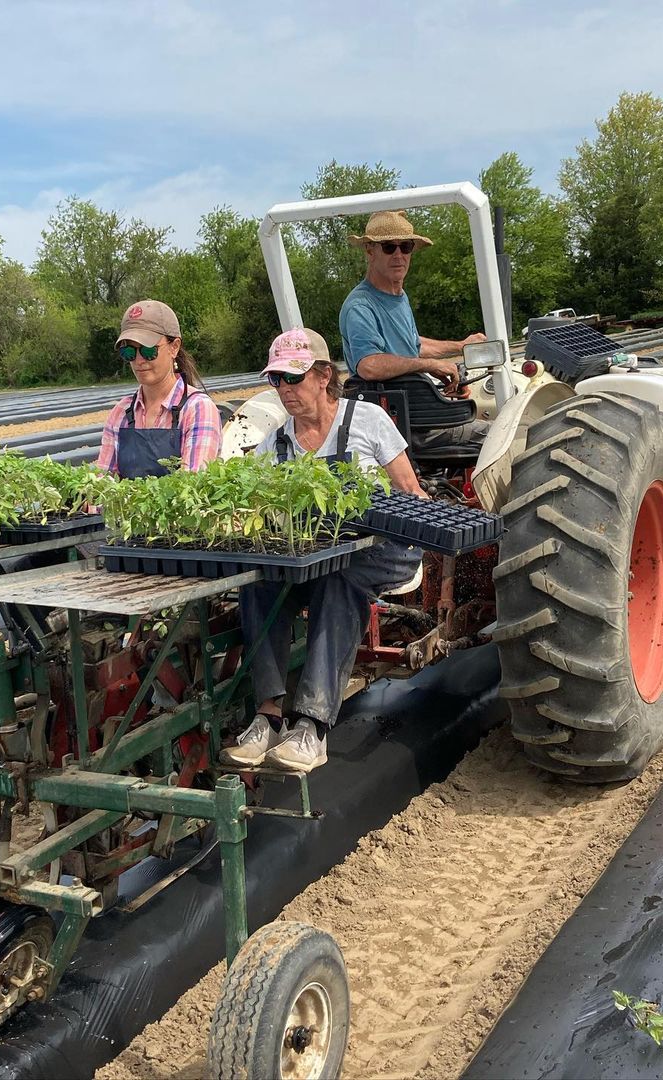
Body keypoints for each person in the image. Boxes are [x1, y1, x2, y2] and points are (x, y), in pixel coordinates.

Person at [222, 328, 425, 774]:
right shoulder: (275, 443)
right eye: (277, 380)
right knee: (257, 585)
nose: (285, 390)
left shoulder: (366, 420)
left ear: (323, 376)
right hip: (312, 559)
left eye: (293, 378)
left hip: (383, 550)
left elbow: (411, 493)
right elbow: (249, 503)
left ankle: (312, 727)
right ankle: (269, 716)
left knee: (339, 577)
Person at [338, 209, 489, 444]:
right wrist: (430, 365)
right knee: (496, 434)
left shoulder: (398, 296)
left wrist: (461, 347)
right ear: (370, 251)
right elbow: (369, 365)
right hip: (398, 428)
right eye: (389, 247)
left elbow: (412, 345)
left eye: (405, 246)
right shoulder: (360, 306)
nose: (398, 255)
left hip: (414, 415)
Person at [97, 300, 222, 477]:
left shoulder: (197, 409)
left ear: (174, 347)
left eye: (148, 351)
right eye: (129, 352)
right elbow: (102, 484)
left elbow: (192, 487)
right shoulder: (121, 413)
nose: (139, 360)